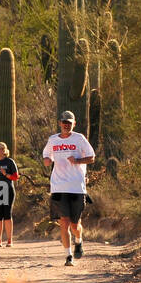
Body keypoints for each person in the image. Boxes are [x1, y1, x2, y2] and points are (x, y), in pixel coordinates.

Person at [42, 110, 95, 267]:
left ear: (74, 124)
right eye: (64, 122)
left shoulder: (79, 139)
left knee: (75, 224)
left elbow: (92, 158)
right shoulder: (53, 140)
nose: (66, 125)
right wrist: (46, 160)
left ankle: (78, 241)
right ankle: (68, 256)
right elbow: (47, 156)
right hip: (58, 187)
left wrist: (77, 161)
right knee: (63, 223)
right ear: (60, 123)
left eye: (69, 123)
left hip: (76, 187)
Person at [0, 142, 19, 247]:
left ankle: (9, 240)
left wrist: (5, 174)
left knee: (7, 215)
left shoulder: (10, 162)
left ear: (4, 150)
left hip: (8, 190)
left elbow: (15, 177)